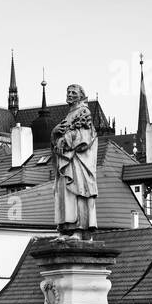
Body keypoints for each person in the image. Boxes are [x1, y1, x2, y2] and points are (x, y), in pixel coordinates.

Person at [51, 84, 99, 240]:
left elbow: (84, 137)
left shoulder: (83, 112)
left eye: (73, 92)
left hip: (78, 161)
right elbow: (60, 136)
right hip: (68, 159)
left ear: (80, 96)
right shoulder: (69, 114)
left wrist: (64, 140)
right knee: (68, 194)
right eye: (68, 92)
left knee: (79, 192)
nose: (70, 94)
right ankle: (68, 230)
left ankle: (80, 229)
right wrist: (54, 134)